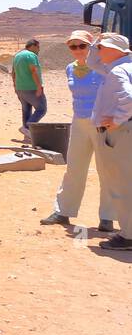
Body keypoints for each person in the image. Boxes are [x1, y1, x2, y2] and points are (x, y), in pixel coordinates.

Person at [40, 31, 112, 230]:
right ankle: (63, 211)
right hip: (79, 121)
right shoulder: (70, 68)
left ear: (91, 46)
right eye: (73, 46)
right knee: (74, 168)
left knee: (106, 170)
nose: (78, 50)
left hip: (102, 123)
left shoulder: (103, 68)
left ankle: (107, 217)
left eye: (82, 45)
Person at [86, 33, 132, 251]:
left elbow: (130, 99)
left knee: (121, 184)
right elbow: (91, 61)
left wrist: (117, 119)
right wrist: (97, 43)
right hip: (126, 132)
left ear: (115, 50)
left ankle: (128, 236)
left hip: (120, 134)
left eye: (103, 47)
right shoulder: (123, 65)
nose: (99, 51)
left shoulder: (117, 70)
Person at [11, 38, 46, 140]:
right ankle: (27, 128)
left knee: (26, 111)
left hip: (20, 88)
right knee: (42, 109)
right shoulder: (31, 55)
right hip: (32, 88)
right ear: (33, 46)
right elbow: (33, 71)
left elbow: (13, 72)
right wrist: (39, 87)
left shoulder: (17, 55)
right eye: (38, 47)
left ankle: (27, 137)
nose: (39, 50)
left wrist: (15, 86)